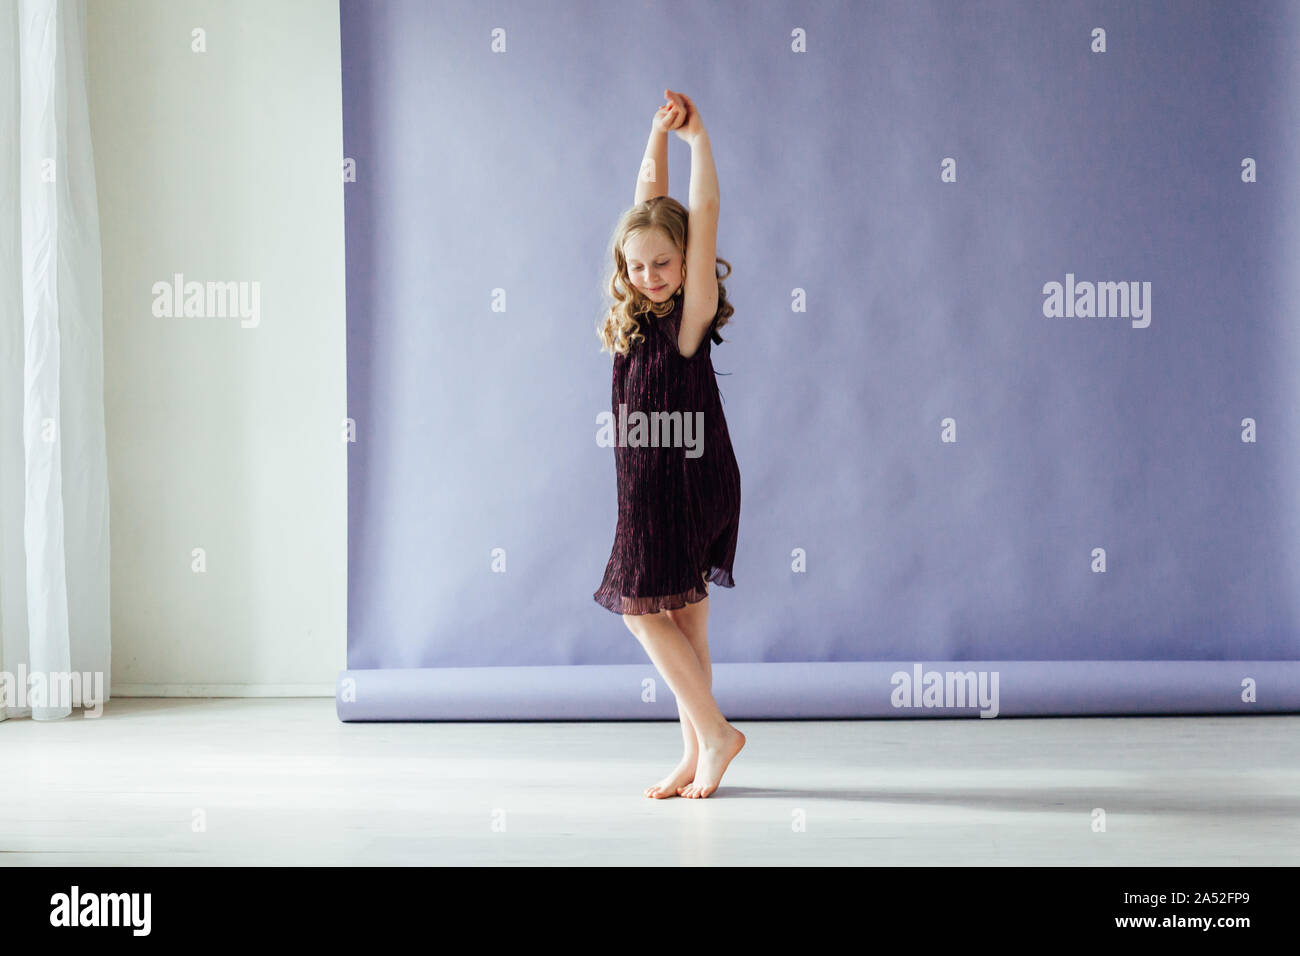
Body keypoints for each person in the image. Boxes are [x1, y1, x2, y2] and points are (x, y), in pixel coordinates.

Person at [593, 90, 745, 799]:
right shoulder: (630, 318)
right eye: (637, 266)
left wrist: (698, 138)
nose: (649, 276)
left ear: (687, 264)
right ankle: (697, 753)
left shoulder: (689, 321)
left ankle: (715, 732)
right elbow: (645, 205)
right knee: (683, 619)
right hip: (663, 479)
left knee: (638, 607)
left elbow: (700, 213)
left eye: (664, 263)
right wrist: (655, 134)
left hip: (680, 481)